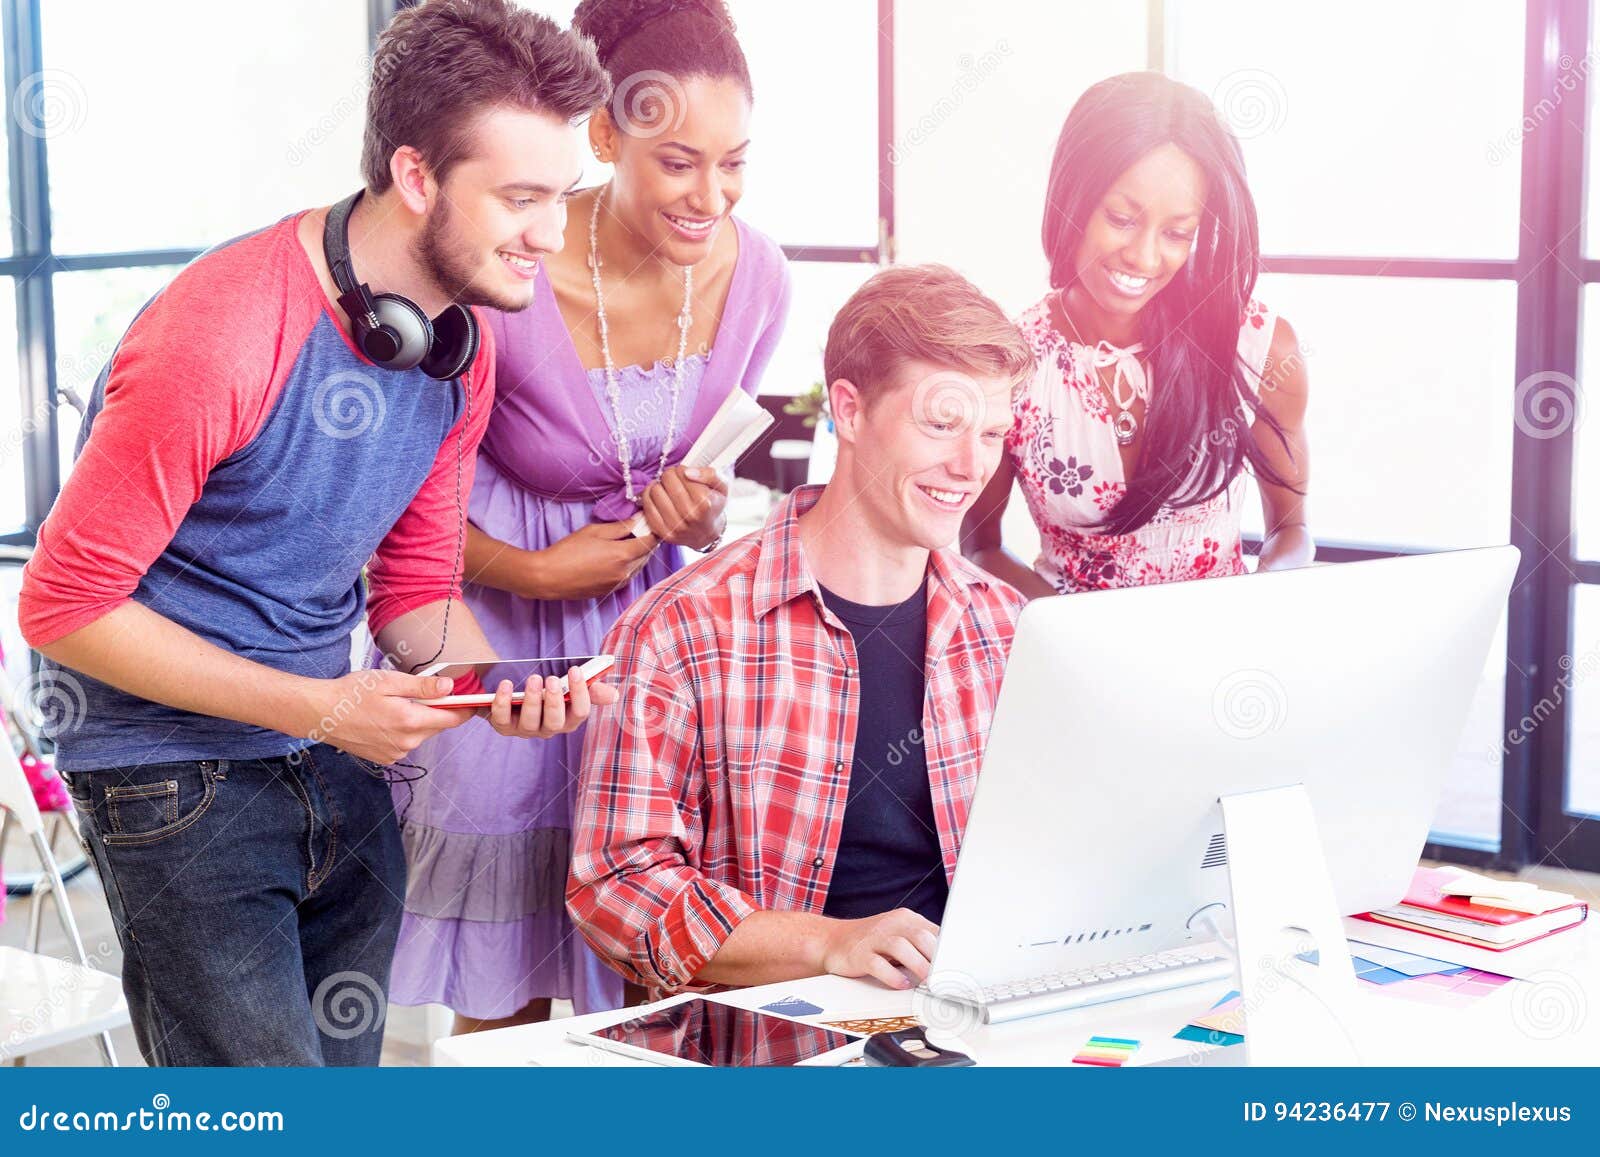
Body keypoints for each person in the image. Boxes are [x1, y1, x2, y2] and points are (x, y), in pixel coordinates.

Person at [15, 0, 614, 1066]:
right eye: (521, 198)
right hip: (173, 771)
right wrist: (326, 705)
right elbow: (61, 606)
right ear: (417, 175)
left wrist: (501, 687)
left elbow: (416, 594)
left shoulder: (455, 350)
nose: (552, 235)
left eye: (561, 196)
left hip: (326, 753)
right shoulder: (224, 333)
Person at [390, 0, 789, 1032]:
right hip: (499, 633)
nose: (712, 195)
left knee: (667, 960)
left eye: (734, 162)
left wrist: (692, 515)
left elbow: (701, 493)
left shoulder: (760, 279)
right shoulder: (502, 274)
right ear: (605, 139)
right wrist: (534, 572)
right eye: (679, 162)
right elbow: (399, 509)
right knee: (509, 989)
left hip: (654, 645)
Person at [567, 265, 1033, 994]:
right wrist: (829, 944)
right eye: (941, 424)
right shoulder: (682, 628)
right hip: (772, 1057)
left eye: (994, 432)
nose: (972, 466)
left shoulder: (1009, 633)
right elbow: (617, 888)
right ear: (848, 410)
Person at [964, 72, 1313, 598]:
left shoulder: (1259, 348)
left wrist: (1258, 599)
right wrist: (1070, 628)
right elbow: (980, 547)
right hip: (1072, 660)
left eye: (1177, 233)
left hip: (1219, 659)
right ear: (1073, 197)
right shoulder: (1012, 366)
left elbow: (1292, 531)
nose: (1145, 258)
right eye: (1122, 218)